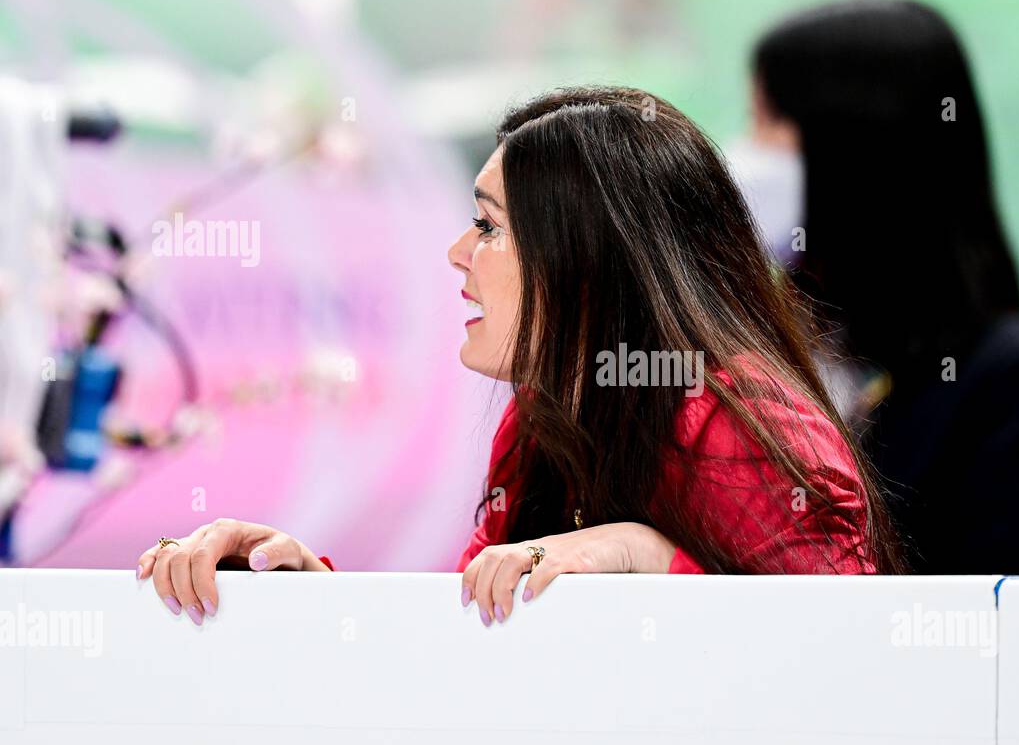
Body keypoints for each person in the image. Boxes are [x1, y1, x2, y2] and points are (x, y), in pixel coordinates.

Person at [135, 86, 903, 629]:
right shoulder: (547, 419)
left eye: (489, 226)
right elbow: (472, 635)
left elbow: (851, 670)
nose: (457, 252)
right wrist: (301, 586)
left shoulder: (728, 420)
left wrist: (645, 559)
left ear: (589, 259)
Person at [748, 0, 1019, 575]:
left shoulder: (1006, 386)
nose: (751, 152)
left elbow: (975, 628)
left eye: (772, 121)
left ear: (857, 149)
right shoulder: (759, 344)